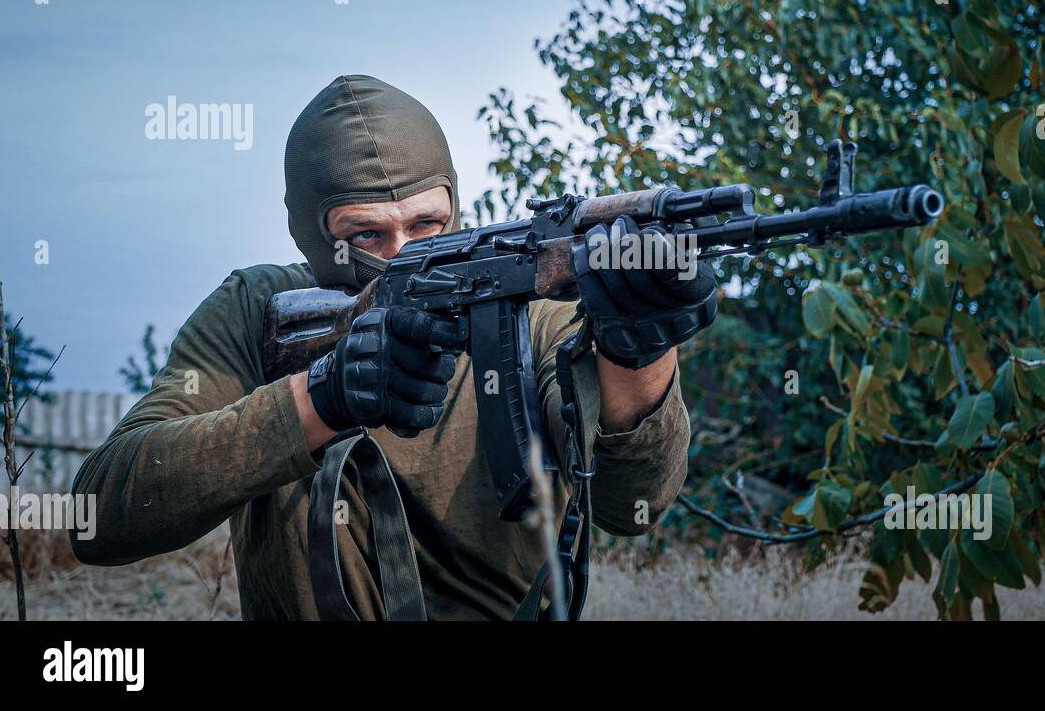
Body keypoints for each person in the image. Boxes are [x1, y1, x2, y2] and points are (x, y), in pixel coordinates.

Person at [71, 75, 716, 620]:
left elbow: (633, 506)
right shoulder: (255, 310)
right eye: (366, 234)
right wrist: (322, 397)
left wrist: (638, 348)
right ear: (310, 234)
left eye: (427, 224)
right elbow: (97, 516)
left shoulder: (538, 316)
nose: (403, 254)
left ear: (454, 207)